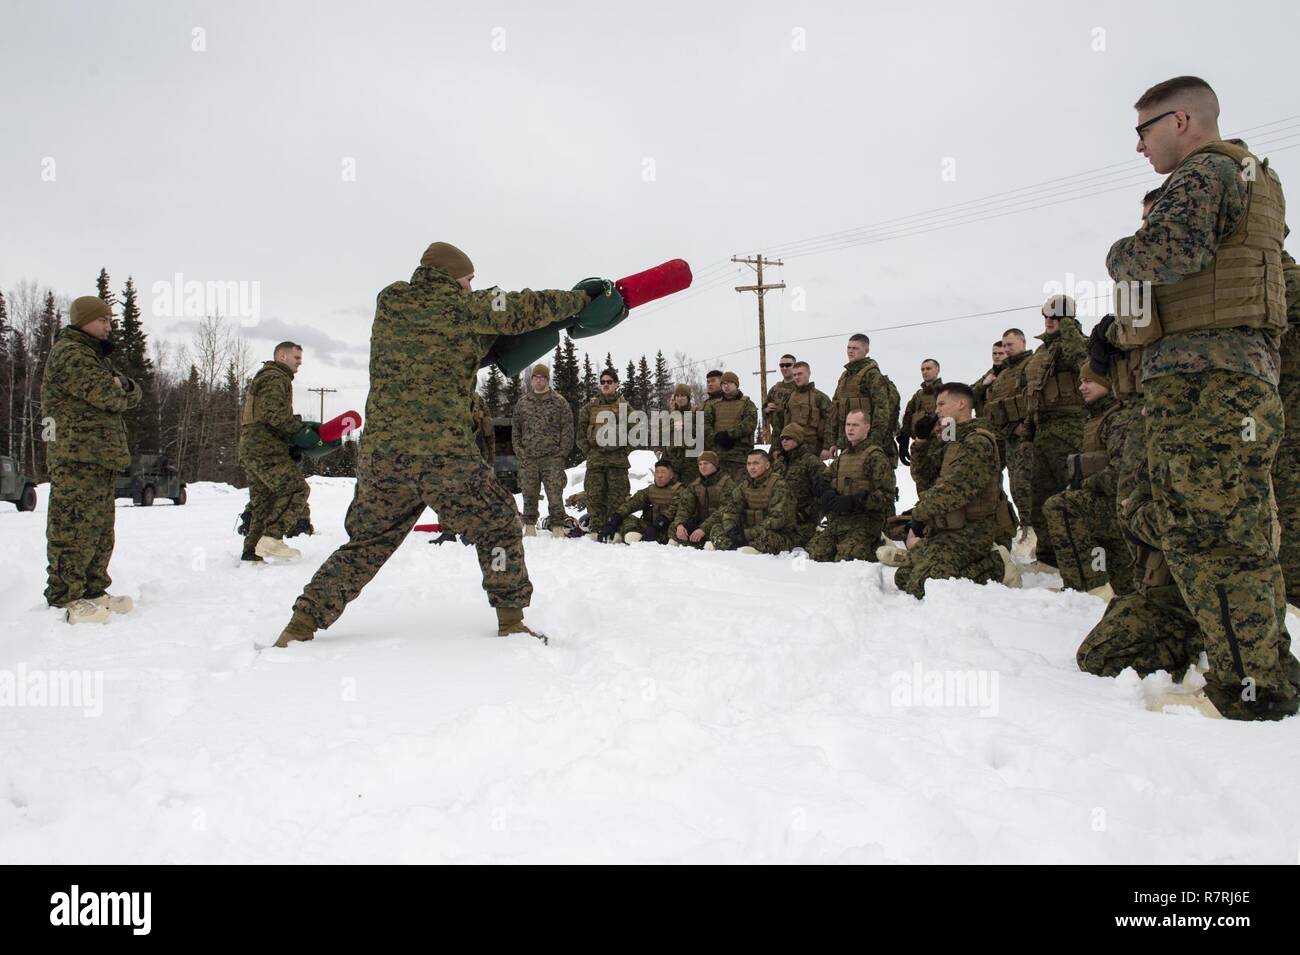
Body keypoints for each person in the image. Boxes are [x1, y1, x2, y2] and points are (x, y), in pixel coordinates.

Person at [274, 241, 595, 647]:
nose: (471, 285)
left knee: (365, 544)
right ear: (452, 276)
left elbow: (434, 347)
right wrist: (579, 299)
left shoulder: (389, 302)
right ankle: (511, 622)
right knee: (497, 524)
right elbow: (524, 306)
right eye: (469, 278)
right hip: (443, 457)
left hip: (382, 458)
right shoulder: (466, 306)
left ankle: (300, 625)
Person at [1098, 75, 1297, 720]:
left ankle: (1252, 690)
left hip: (1203, 382)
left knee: (1210, 534)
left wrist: (1118, 253)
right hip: (1234, 379)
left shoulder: (1203, 174)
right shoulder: (1257, 179)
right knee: (1236, 528)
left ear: (1180, 121)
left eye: (1143, 130)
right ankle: (1261, 669)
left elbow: (1168, 251)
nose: (1139, 146)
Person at [41, 295, 142, 624]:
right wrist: (119, 387)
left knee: (99, 528)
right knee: (73, 527)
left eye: (111, 320)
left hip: (98, 456)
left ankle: (93, 589)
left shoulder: (94, 356)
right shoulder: (71, 353)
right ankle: (64, 597)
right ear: (83, 319)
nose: (108, 325)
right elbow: (110, 395)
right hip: (75, 456)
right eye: (102, 320)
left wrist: (122, 384)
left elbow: (132, 392)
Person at [894, 383, 1014, 598]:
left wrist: (920, 515)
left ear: (961, 404)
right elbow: (925, 479)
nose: (937, 410)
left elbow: (956, 490)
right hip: (947, 528)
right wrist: (921, 441)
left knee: (925, 585)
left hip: (973, 531)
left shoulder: (977, 441)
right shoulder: (951, 439)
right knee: (902, 576)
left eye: (942, 404)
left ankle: (998, 564)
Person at [1040, 360, 1138, 596]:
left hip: (1123, 505)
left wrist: (1084, 484)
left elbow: (1122, 473)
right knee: (1127, 586)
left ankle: (1085, 588)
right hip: (1108, 503)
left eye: (1089, 381)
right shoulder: (1095, 418)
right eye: (1081, 381)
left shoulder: (1119, 418)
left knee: (1061, 506)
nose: (1082, 387)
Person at [1020, 295, 1089, 568]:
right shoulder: (1042, 352)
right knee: (1039, 494)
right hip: (1042, 429)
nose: (1049, 321)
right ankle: (1048, 556)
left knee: (1069, 493)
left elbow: (1083, 363)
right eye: (1047, 316)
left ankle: (1077, 557)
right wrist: (1028, 431)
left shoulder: (1078, 344)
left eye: (1057, 317)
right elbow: (1032, 395)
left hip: (1070, 429)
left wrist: (1070, 332)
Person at [240, 341, 309, 562]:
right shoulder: (275, 377)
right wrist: (300, 431)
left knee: (264, 501)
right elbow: (274, 414)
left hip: (252, 446)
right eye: (296, 358)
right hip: (265, 446)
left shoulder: (267, 376)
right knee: (296, 489)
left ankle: (252, 553)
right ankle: (271, 539)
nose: (300, 362)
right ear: (282, 356)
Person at [808, 410, 896, 562]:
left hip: (864, 523)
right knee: (816, 553)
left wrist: (855, 501)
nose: (850, 429)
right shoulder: (844, 456)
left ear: (867, 427)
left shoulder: (875, 456)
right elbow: (823, 479)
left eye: (855, 425)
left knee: (847, 558)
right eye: (848, 424)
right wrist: (828, 495)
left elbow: (887, 495)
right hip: (839, 522)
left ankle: (877, 543)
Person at [511, 362, 573, 538]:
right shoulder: (523, 403)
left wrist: (561, 454)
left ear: (547, 379)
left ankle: (558, 526)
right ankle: (530, 525)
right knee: (528, 493)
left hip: (552, 458)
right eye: (535, 377)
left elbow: (567, 429)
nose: (538, 381)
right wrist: (520, 452)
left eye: (542, 378)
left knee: (555, 493)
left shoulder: (559, 402)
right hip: (528, 458)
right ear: (531, 380)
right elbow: (516, 430)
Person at [707, 449, 799, 554]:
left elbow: (776, 520)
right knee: (717, 528)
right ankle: (735, 548)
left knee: (767, 539)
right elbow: (731, 509)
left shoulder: (779, 485)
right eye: (749, 464)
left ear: (767, 465)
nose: (751, 467)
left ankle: (734, 548)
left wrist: (747, 534)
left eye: (756, 463)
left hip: (776, 534)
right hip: (748, 531)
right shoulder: (744, 485)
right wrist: (731, 529)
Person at [576, 368, 633, 534]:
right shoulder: (590, 407)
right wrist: (590, 452)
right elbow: (580, 433)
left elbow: (637, 430)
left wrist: (624, 451)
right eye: (603, 382)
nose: (606, 385)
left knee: (618, 496)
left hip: (617, 461)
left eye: (609, 382)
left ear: (616, 384)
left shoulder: (625, 407)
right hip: (596, 460)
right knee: (594, 495)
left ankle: (615, 528)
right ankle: (596, 528)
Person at [829, 333, 900, 463]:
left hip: (867, 443)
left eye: (855, 348)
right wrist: (833, 441)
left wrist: (874, 442)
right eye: (848, 348)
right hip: (846, 443)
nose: (850, 351)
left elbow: (882, 410)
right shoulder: (844, 377)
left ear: (866, 350)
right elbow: (835, 409)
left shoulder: (872, 375)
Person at [598, 458, 684, 544]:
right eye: (657, 472)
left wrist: (658, 524)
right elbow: (633, 503)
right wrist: (614, 519)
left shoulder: (679, 490)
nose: (659, 475)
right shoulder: (650, 490)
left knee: (676, 527)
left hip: (666, 528)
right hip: (650, 527)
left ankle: (665, 541)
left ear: (671, 475)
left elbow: (673, 510)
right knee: (626, 518)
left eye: (663, 472)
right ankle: (626, 535)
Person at [669, 451, 735, 547]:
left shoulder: (728, 484)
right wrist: (680, 525)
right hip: (700, 523)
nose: (702, 467)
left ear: (715, 465)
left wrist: (703, 529)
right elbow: (684, 507)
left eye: (706, 463)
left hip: (719, 524)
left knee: (718, 531)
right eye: (700, 464)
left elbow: (724, 511)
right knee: (674, 527)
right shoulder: (695, 485)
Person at [703, 371, 757, 482]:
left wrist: (729, 435)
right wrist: (716, 437)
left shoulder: (747, 403)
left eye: (729, 383)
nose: (726, 386)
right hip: (719, 455)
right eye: (723, 383)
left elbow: (750, 423)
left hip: (740, 456)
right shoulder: (714, 405)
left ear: (736, 385)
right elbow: (705, 424)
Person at [781, 361, 833, 461]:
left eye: (800, 374)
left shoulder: (819, 397)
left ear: (808, 374)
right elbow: (781, 423)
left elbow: (830, 423)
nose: (796, 377)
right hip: (791, 449)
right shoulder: (789, 397)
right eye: (794, 374)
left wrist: (827, 447)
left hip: (813, 448)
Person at [899, 358, 942, 467]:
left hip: (938, 445)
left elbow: (951, 419)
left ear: (937, 370)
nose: (925, 372)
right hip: (919, 445)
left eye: (928, 368)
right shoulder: (918, 396)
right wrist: (904, 442)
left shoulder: (945, 392)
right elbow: (908, 417)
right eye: (922, 369)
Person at [763, 354, 798, 442]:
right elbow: (764, 411)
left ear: (795, 366)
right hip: (778, 438)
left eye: (788, 365)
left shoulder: (800, 387)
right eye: (782, 365)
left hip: (796, 437)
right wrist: (767, 410)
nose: (784, 368)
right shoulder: (775, 389)